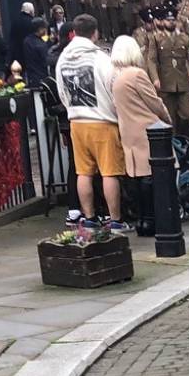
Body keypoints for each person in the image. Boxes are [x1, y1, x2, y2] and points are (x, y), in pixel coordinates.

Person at [54, 14, 129, 230]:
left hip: (77, 121)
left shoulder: (63, 59)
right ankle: (115, 219)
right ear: (95, 33)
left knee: (83, 172)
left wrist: (72, 109)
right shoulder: (101, 59)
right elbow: (112, 86)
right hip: (102, 121)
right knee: (109, 172)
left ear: (74, 32)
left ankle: (89, 217)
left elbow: (62, 91)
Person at [109, 35, 170, 237]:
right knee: (150, 177)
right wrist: (167, 119)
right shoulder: (136, 74)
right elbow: (154, 102)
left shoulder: (116, 77)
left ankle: (143, 220)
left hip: (128, 132)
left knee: (137, 176)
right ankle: (153, 220)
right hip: (147, 131)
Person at [153, 13, 189, 140]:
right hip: (166, 83)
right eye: (168, 20)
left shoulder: (184, 38)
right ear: (162, 21)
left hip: (182, 82)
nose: (171, 22)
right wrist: (155, 78)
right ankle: (175, 144)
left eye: (173, 20)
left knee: (187, 115)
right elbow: (151, 60)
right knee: (170, 118)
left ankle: (186, 140)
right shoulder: (157, 38)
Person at [22, 18, 53, 85]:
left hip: (31, 76)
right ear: (40, 29)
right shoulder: (40, 45)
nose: (45, 30)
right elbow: (47, 60)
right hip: (42, 76)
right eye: (45, 28)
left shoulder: (27, 40)